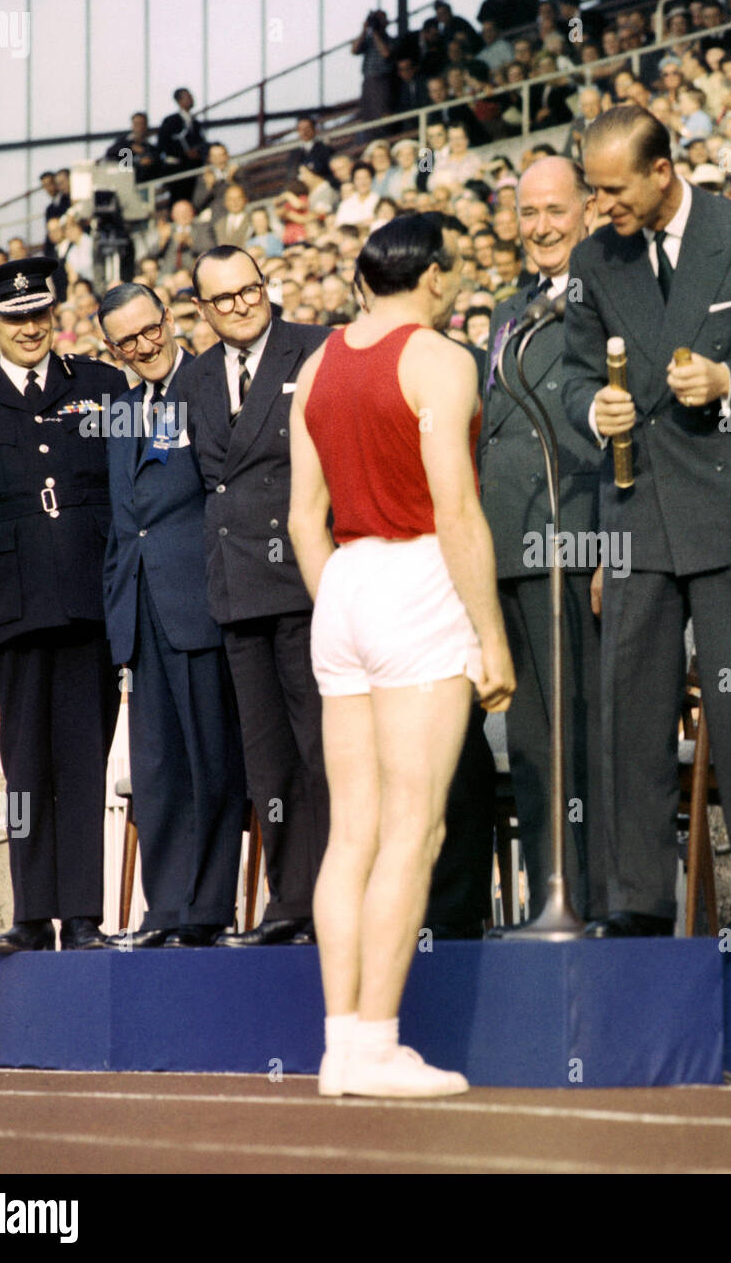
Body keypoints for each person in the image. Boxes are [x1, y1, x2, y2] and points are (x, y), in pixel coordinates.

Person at [563, 107, 731, 941]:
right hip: (636, 511)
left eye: (613, 190)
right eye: (594, 190)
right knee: (631, 716)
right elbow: (574, 375)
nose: (602, 206)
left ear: (661, 170)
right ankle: (636, 900)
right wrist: (591, 408)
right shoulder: (593, 259)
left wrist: (729, 379)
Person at [288, 213, 514, 1097]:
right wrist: (489, 638)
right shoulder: (441, 359)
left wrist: (346, 606)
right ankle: (376, 1046)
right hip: (417, 576)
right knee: (414, 830)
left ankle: (341, 1044)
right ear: (431, 274)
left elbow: (305, 518)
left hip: (343, 585)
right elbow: (457, 511)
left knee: (352, 834)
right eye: (454, 269)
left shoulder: (315, 364)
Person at [0, 259, 128, 953]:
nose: (30, 329)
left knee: (83, 762)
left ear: (56, 316)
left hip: (90, 602)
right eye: (14, 319)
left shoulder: (102, 388)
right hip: (9, 613)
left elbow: (133, 494)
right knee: (25, 766)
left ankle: (82, 916)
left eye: (39, 315)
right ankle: (33, 913)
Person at [174, 246, 332, 946]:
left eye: (250, 290)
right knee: (267, 758)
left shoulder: (317, 349)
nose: (241, 305)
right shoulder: (197, 377)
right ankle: (290, 900)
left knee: (324, 750)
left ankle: (337, 896)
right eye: (224, 298)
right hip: (236, 591)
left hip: (307, 581)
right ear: (202, 311)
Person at [478, 157, 607, 921]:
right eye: (529, 213)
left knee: (579, 738)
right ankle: (545, 900)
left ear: (588, 209)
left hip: (573, 545)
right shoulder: (509, 308)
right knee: (530, 743)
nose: (542, 227)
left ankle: (590, 901)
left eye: (556, 210)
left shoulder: (613, 296)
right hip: (506, 551)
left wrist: (605, 552)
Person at [98, 283, 245, 948]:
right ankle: (167, 910)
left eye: (150, 330)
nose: (144, 347)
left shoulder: (210, 386)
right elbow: (123, 521)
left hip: (202, 603)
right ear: (112, 348)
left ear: (170, 320)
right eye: (127, 341)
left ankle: (207, 911)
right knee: (156, 771)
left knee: (209, 761)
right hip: (140, 610)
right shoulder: (122, 409)